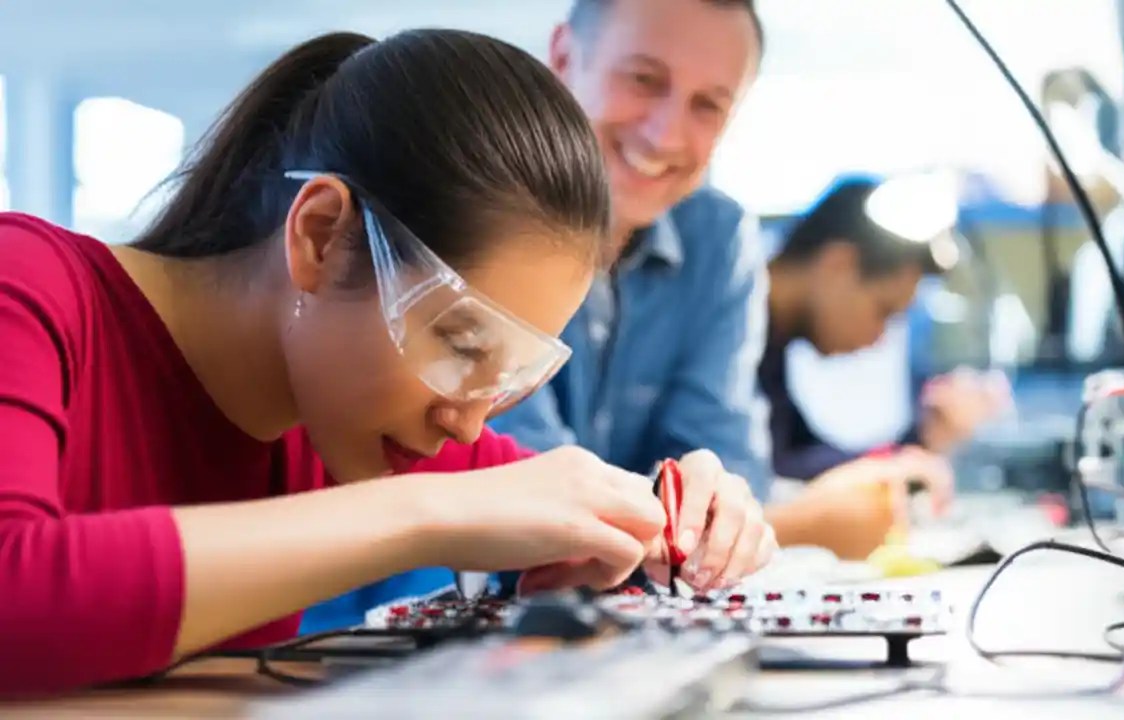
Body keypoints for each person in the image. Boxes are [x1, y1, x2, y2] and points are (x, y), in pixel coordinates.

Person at [0, 28, 774, 696]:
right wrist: (431, 519)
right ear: (321, 234)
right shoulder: (27, 285)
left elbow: (576, 519)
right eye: (462, 343)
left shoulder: (342, 417)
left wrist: (676, 516)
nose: (467, 420)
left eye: (505, 373)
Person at [490, 0, 774, 509]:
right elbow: (521, 486)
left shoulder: (718, 238)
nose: (665, 134)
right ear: (563, 59)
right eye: (643, 79)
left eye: (708, 105)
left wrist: (715, 511)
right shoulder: (474, 212)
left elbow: (723, 464)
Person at [759, 175, 1011, 558]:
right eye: (883, 311)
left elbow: (792, 459)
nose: (878, 337)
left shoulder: (770, 342)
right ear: (838, 265)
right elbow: (763, 476)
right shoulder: (729, 329)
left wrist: (917, 446)